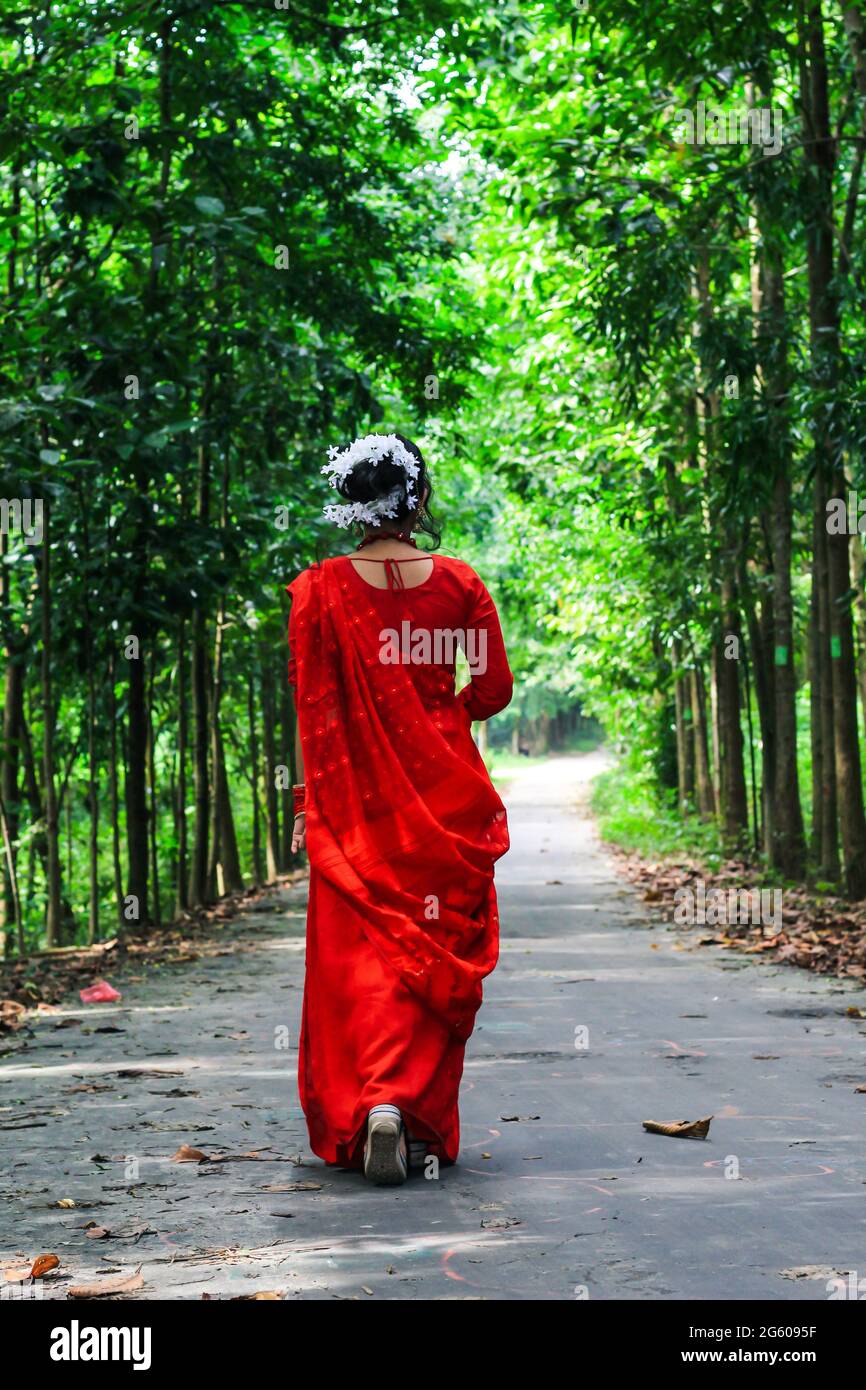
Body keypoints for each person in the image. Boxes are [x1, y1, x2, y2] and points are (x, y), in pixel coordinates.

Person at [285, 433, 513, 1184]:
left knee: (363, 955)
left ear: (351, 504)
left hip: (352, 802)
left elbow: (311, 711)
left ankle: (370, 1107)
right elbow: (491, 691)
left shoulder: (318, 592)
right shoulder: (459, 584)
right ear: (417, 500)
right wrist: (439, 712)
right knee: (429, 945)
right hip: (443, 794)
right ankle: (406, 1110)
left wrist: (304, 802)